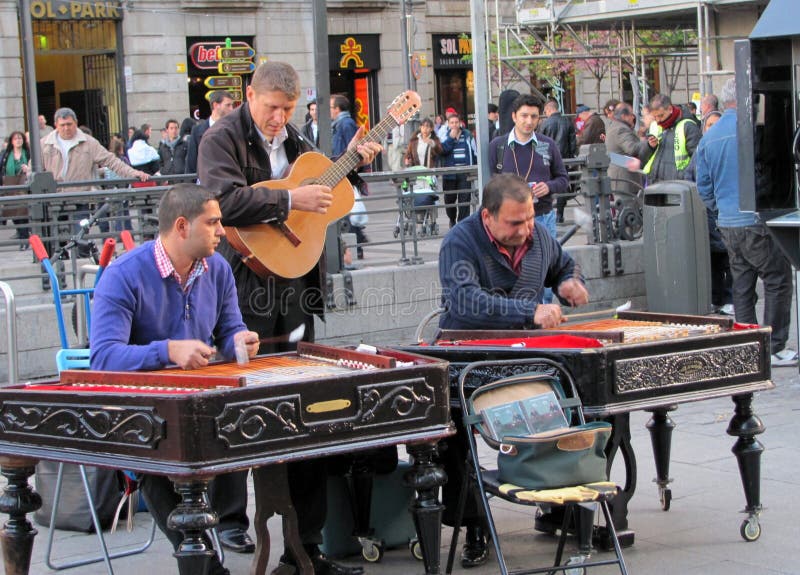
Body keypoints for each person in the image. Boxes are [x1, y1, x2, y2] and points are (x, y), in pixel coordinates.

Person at [198, 60, 380, 574]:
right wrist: (285, 200)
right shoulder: (221, 139)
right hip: (239, 285)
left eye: (287, 108)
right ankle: (230, 518)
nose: (278, 118)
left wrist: (352, 164)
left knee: (307, 405)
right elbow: (221, 200)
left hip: (294, 286)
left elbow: (326, 201)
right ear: (249, 95)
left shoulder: (298, 140)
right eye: (271, 107)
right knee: (234, 402)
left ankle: (309, 546)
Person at [89, 183, 260, 575]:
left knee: (248, 421)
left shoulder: (218, 269)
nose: (222, 230)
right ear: (182, 226)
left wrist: (240, 342)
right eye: (213, 222)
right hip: (137, 408)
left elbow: (231, 329)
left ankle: (281, 543)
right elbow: (102, 357)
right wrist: (167, 351)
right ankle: (205, 562)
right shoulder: (123, 275)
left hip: (198, 399)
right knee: (151, 447)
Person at [437, 173, 589, 566]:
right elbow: (466, 302)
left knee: (584, 399)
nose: (526, 230)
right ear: (488, 217)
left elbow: (564, 265)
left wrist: (571, 282)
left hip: (525, 354)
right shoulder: (460, 241)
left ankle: (561, 506)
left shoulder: (537, 237)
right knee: (451, 432)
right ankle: (473, 524)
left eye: (530, 219)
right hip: (470, 356)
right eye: (515, 223)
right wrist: (529, 311)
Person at [695, 78, 796, 367]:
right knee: (778, 279)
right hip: (753, 220)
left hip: (728, 222)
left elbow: (703, 185)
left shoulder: (710, 137)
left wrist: (720, 210)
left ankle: (749, 344)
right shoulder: (752, 132)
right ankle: (774, 346)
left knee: (742, 283)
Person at [488, 93, 569, 303]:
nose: (529, 121)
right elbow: (492, 185)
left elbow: (563, 179)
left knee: (546, 269)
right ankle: (521, 316)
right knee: (513, 270)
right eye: (524, 116)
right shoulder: (498, 146)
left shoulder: (547, 144)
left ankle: (545, 316)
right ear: (514, 116)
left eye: (534, 116)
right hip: (510, 221)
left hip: (542, 217)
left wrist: (548, 187)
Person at [41, 108, 149, 191]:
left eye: (69, 124)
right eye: (62, 125)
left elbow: (111, 160)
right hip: (53, 198)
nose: (66, 128)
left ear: (76, 123)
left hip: (79, 199)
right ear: (56, 125)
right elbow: (35, 170)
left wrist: (133, 173)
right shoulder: (45, 144)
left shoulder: (89, 143)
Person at [642, 92, 702, 184]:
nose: (658, 120)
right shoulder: (655, 125)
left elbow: (698, 159)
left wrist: (683, 177)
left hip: (678, 186)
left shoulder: (688, 126)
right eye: (655, 117)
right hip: (655, 184)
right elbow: (644, 156)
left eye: (661, 115)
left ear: (670, 109)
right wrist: (650, 146)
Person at [604, 102, 653, 202]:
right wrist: (647, 143)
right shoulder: (621, 129)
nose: (633, 118)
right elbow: (632, 149)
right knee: (628, 211)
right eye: (631, 115)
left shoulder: (614, 126)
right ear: (623, 116)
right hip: (625, 180)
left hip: (621, 177)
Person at [539, 99, 577, 223]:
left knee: (547, 186)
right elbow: (572, 143)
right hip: (564, 159)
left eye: (545, 111)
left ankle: (549, 212)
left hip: (548, 160)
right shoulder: (567, 122)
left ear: (549, 110)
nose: (545, 113)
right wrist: (571, 158)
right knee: (562, 186)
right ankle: (560, 214)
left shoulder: (545, 124)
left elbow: (539, 143)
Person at [440, 111, 477, 226]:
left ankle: (462, 224)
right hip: (449, 173)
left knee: (464, 200)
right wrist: (451, 138)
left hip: (464, 173)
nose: (454, 125)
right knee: (449, 199)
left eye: (456, 122)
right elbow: (443, 151)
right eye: (452, 123)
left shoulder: (467, 135)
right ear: (448, 124)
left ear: (460, 123)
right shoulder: (444, 135)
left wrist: (474, 169)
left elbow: (474, 152)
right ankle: (452, 219)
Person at [186, 90, 235, 174]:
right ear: (215, 105)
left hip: (228, 181)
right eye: (228, 105)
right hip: (204, 182)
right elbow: (192, 162)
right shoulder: (197, 130)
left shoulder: (235, 129)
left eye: (231, 105)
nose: (232, 109)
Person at [0, 130, 31, 245]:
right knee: (13, 211)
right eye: (16, 139)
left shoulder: (27, 153)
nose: (18, 140)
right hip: (9, 184)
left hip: (24, 185)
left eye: (20, 138)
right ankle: (22, 232)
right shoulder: (6, 154)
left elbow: (35, 167)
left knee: (23, 211)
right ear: (11, 141)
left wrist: (27, 168)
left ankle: (24, 237)